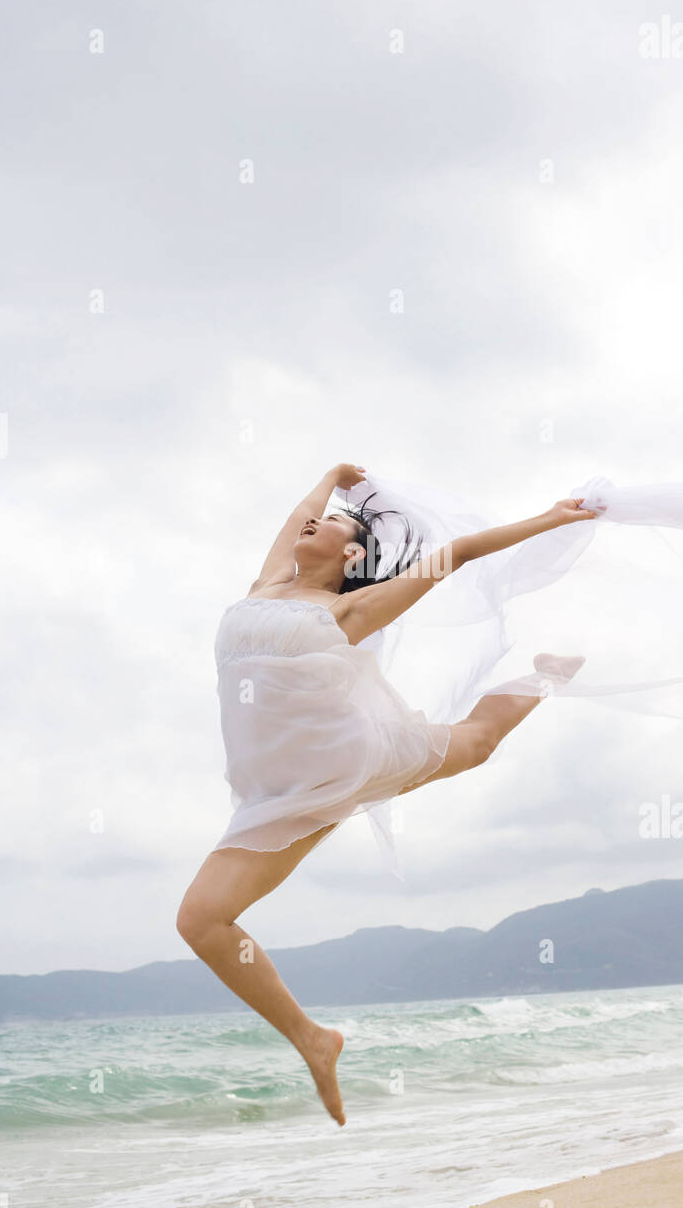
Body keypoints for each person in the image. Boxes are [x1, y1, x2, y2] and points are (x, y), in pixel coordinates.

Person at [176, 463, 598, 1125]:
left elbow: (454, 555)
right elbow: (298, 517)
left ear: (352, 555)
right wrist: (332, 478)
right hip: (269, 792)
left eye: (334, 522)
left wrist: (549, 518)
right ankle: (314, 1039)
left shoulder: (351, 607)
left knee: (474, 745)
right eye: (313, 518)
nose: (311, 522)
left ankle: (544, 679)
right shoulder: (266, 586)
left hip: (346, 760)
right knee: (200, 923)